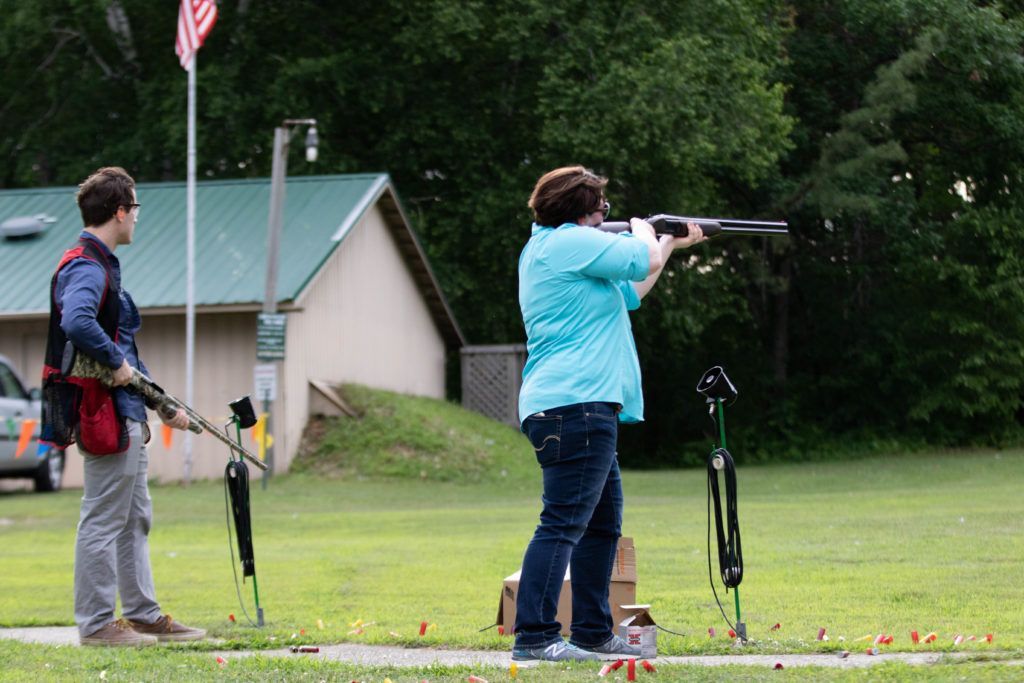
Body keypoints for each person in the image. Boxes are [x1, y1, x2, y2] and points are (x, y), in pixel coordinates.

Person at [512, 166, 706, 664]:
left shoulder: (564, 251)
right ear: (581, 211)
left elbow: (633, 289)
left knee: (600, 526)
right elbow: (639, 255)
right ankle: (534, 635)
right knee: (561, 524)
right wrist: (649, 233)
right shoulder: (567, 244)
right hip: (573, 405)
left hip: (578, 406)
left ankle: (592, 632)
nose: (606, 215)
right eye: (602, 208)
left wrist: (670, 246)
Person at [42, 167, 205, 647]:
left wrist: (163, 405)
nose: (136, 218)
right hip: (104, 414)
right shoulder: (87, 267)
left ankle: (142, 614)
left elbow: (123, 350)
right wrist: (114, 364)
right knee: (102, 519)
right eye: (134, 209)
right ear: (119, 212)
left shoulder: (101, 263)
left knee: (134, 517)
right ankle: (95, 626)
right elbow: (78, 323)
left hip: (126, 410)